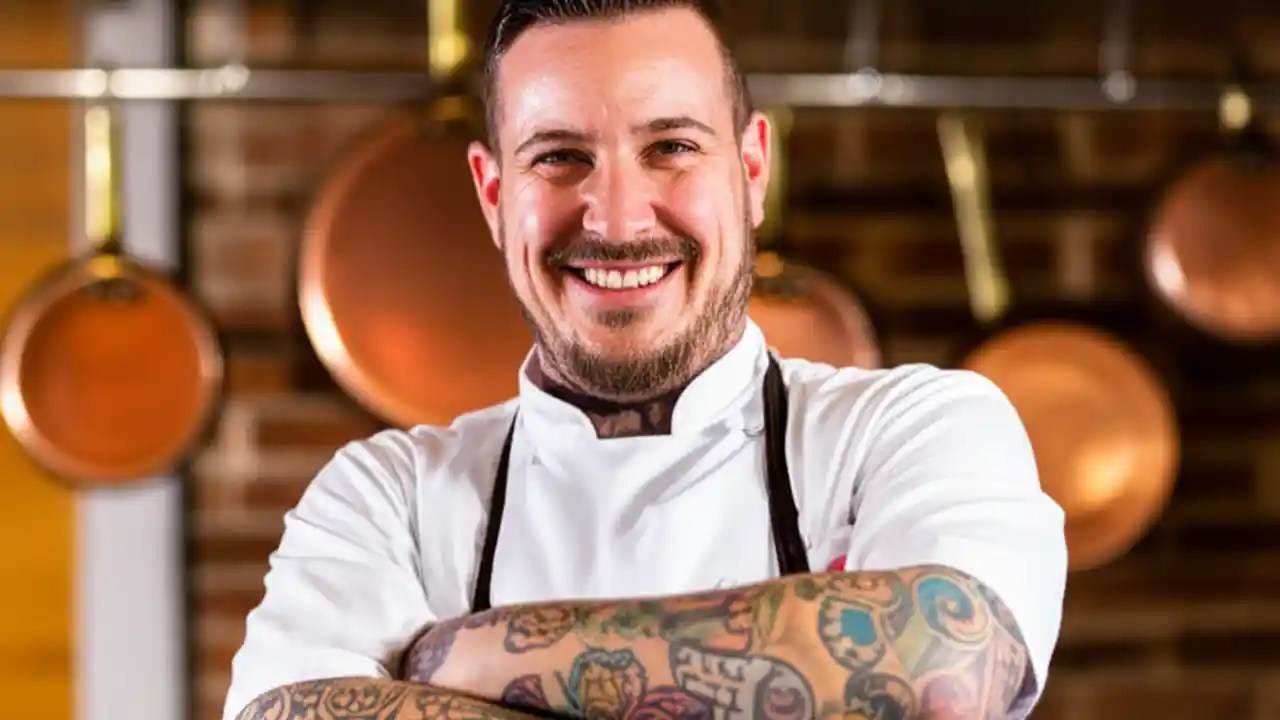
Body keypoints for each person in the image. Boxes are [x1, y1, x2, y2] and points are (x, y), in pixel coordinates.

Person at [223, 1, 1067, 718]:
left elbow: (945, 666)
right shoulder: (387, 497)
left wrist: (457, 659)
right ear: (493, 195)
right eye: (559, 157)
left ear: (751, 169)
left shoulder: (911, 429)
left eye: (670, 147)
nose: (618, 218)